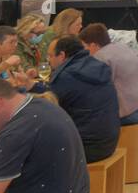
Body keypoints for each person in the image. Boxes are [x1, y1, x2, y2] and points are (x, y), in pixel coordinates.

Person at [46, 35, 120, 163]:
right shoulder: (96, 66)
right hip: (109, 141)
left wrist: (24, 91)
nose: (48, 60)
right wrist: (32, 85)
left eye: (50, 55)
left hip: (86, 148)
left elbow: (47, 106)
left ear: (62, 55)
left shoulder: (66, 76)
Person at [81, 23, 138, 127]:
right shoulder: (121, 47)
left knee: (85, 122)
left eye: (84, 46)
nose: (84, 51)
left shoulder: (101, 58)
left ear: (93, 45)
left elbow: (98, 91)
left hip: (133, 112)